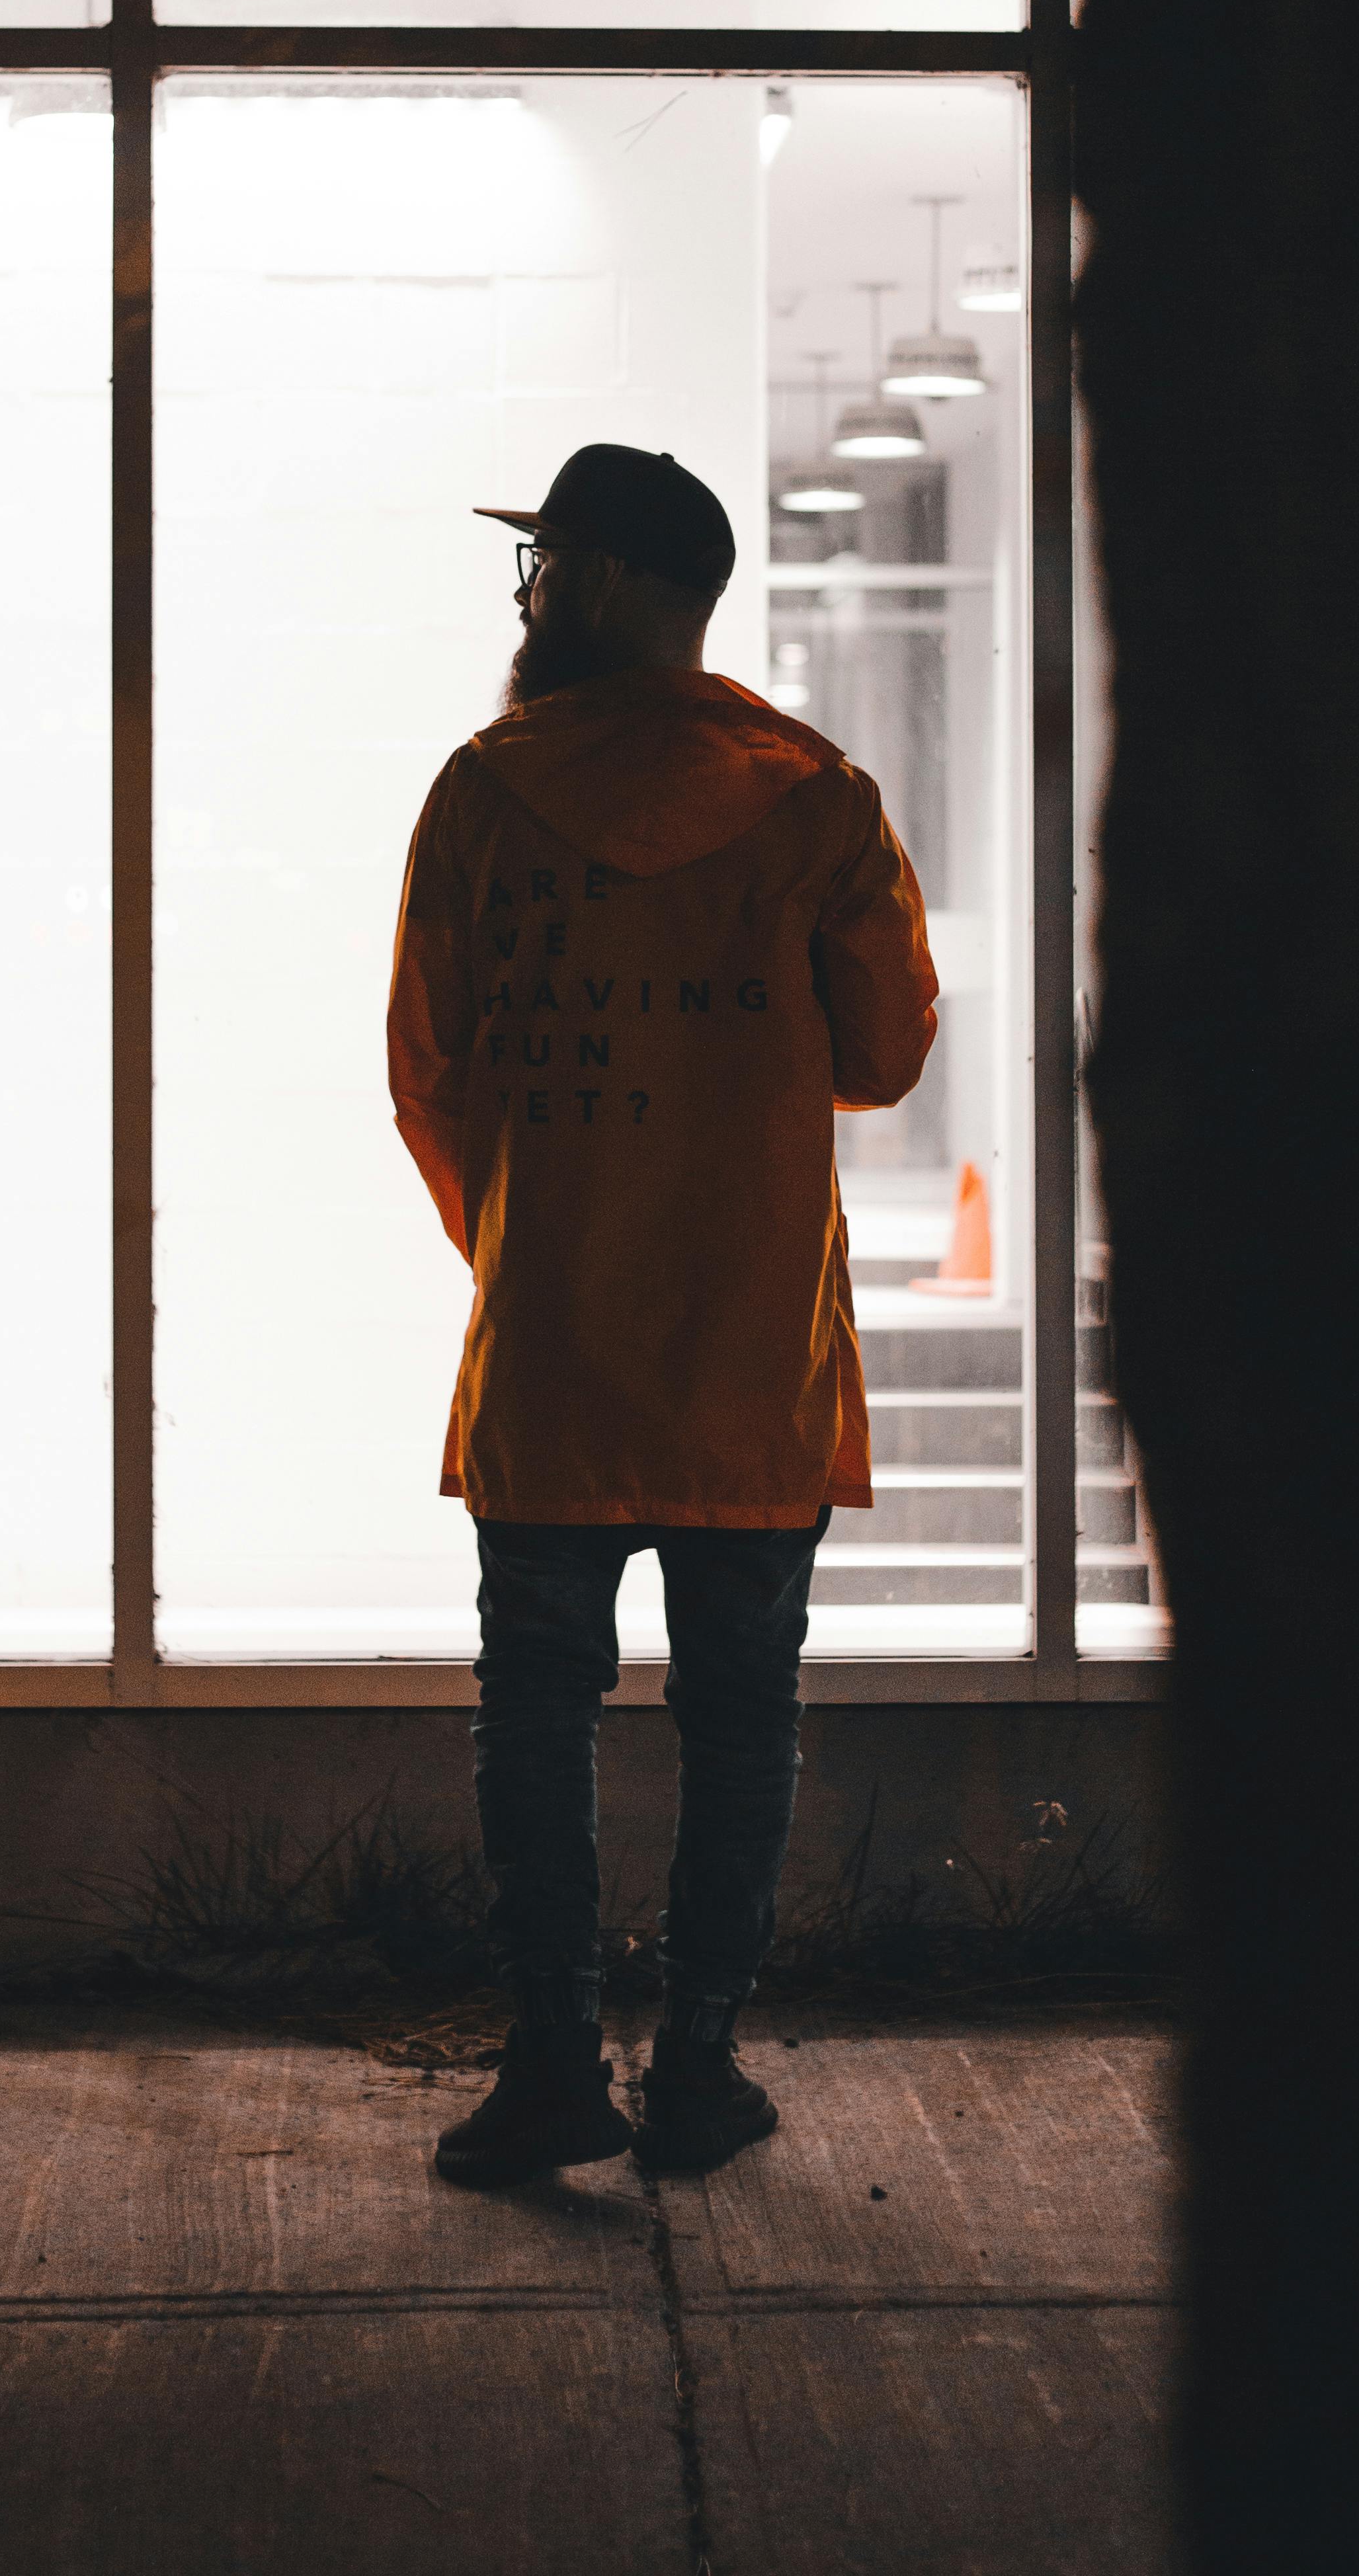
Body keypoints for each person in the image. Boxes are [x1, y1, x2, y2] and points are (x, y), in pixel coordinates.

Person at [387, 442, 938, 2186]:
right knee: (741, 1720)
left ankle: (554, 2065)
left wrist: (527, 1238)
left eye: (545, 561)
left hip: (555, 1348)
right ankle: (697, 2071)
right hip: (748, 1356)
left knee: (537, 1715)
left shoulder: (485, 792)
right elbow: (886, 1051)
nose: (531, 592)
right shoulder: (818, 799)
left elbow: (429, 1066)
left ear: (614, 586)